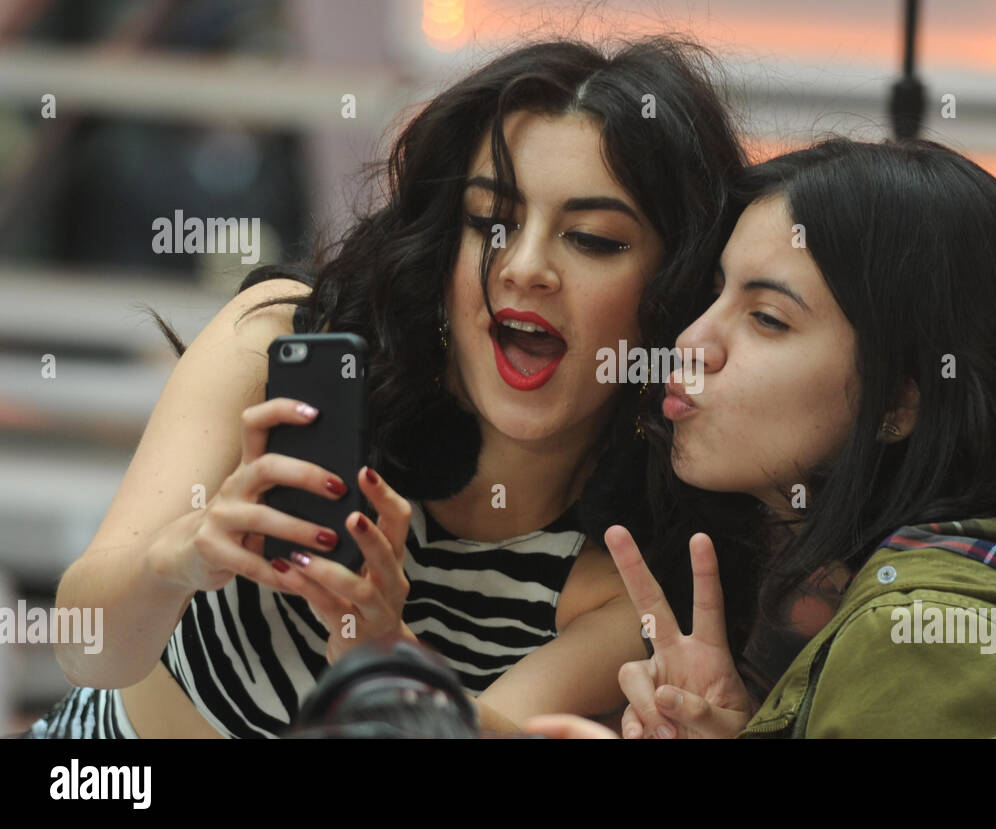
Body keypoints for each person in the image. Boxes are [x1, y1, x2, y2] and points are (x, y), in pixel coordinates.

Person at [25, 37, 749, 738]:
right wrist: (177, 559)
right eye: (490, 222)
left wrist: (375, 644)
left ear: (673, 292)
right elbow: (86, 649)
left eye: (592, 238)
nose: (526, 267)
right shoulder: (279, 340)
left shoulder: (619, 584)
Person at [525, 138, 996, 738]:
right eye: (717, 291)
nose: (691, 341)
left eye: (767, 319)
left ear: (901, 402)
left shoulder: (922, 644)